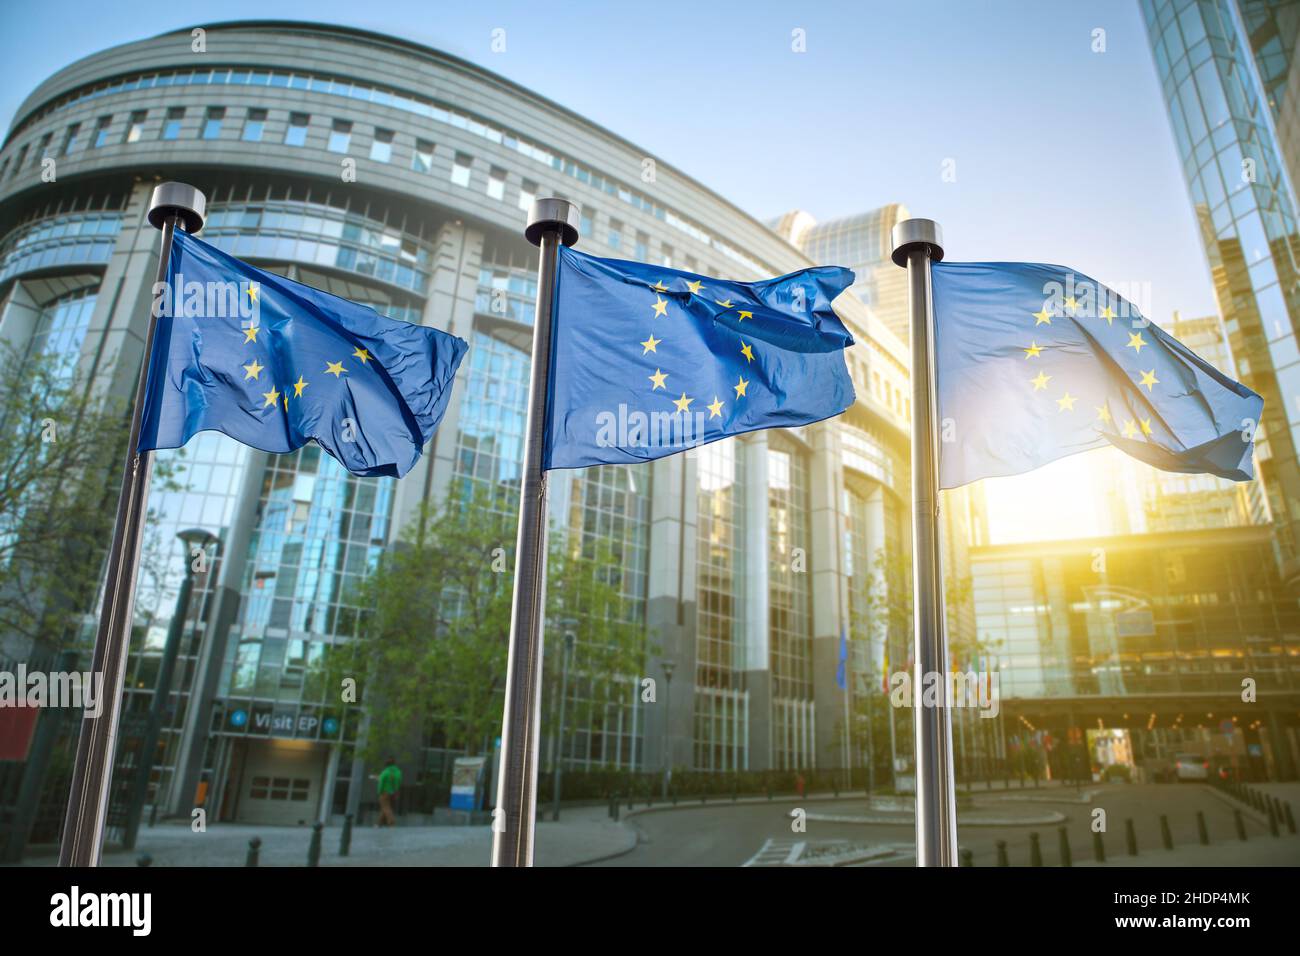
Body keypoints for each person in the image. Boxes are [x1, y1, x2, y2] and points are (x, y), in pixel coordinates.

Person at [377, 757, 402, 827]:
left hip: (384, 792)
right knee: (385, 807)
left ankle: (391, 823)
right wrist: (396, 791)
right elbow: (399, 782)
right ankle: (379, 823)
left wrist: (379, 791)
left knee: (386, 807)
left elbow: (381, 783)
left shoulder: (385, 772)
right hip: (393, 792)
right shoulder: (398, 772)